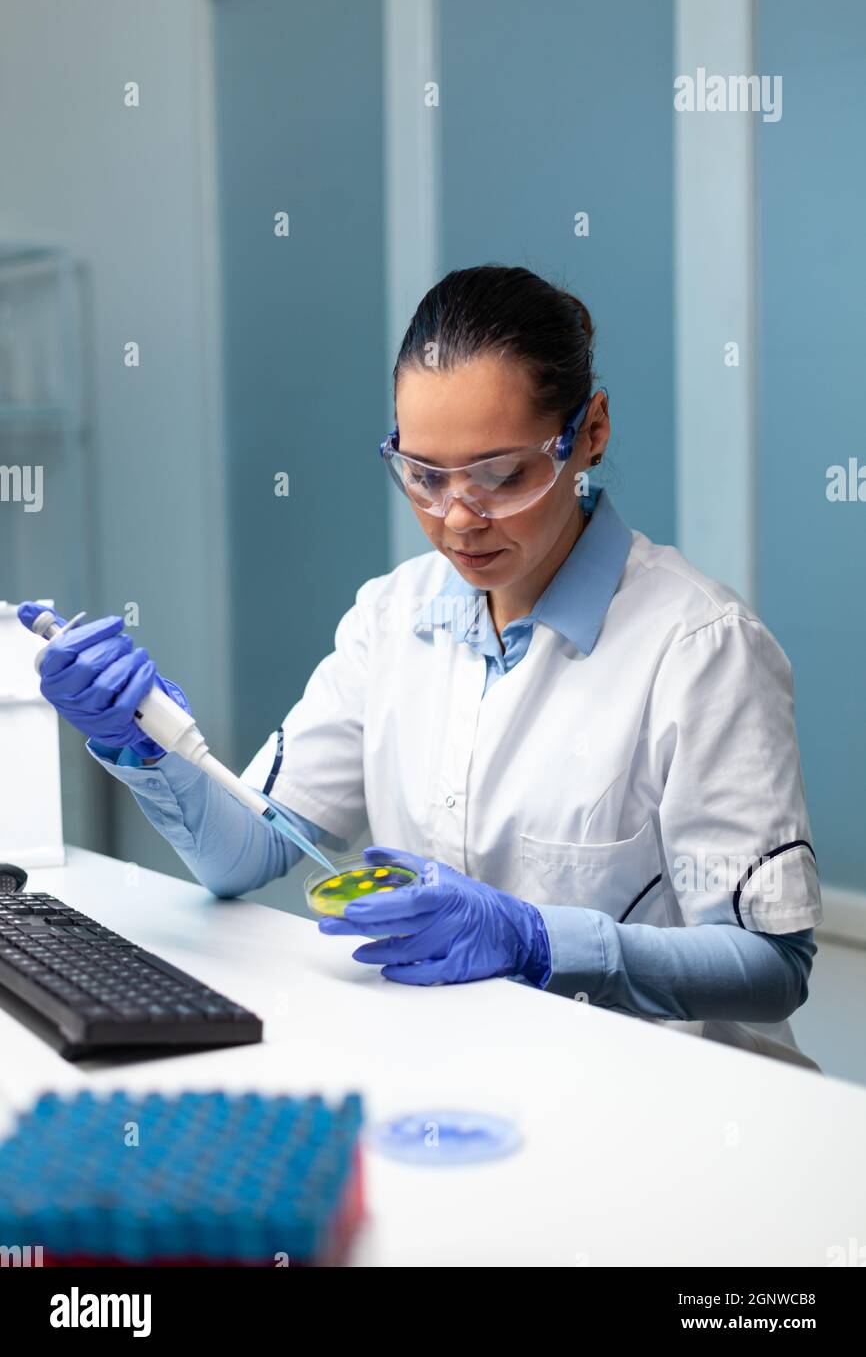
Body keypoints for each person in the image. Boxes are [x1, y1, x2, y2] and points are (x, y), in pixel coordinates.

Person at [22, 264, 823, 1069]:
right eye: (425, 476)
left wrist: (538, 943)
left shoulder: (701, 648)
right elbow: (248, 855)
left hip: (670, 1100)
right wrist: (145, 741)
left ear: (590, 432)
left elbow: (770, 969)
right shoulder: (392, 616)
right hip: (457, 1074)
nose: (458, 520)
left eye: (501, 475)